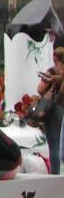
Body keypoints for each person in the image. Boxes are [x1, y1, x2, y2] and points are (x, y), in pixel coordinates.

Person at [37, 46, 64, 176]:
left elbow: (40, 89)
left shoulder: (52, 71)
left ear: (55, 58)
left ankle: (55, 173)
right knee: (59, 140)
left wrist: (46, 79)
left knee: (53, 143)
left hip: (50, 108)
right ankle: (57, 171)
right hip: (61, 107)